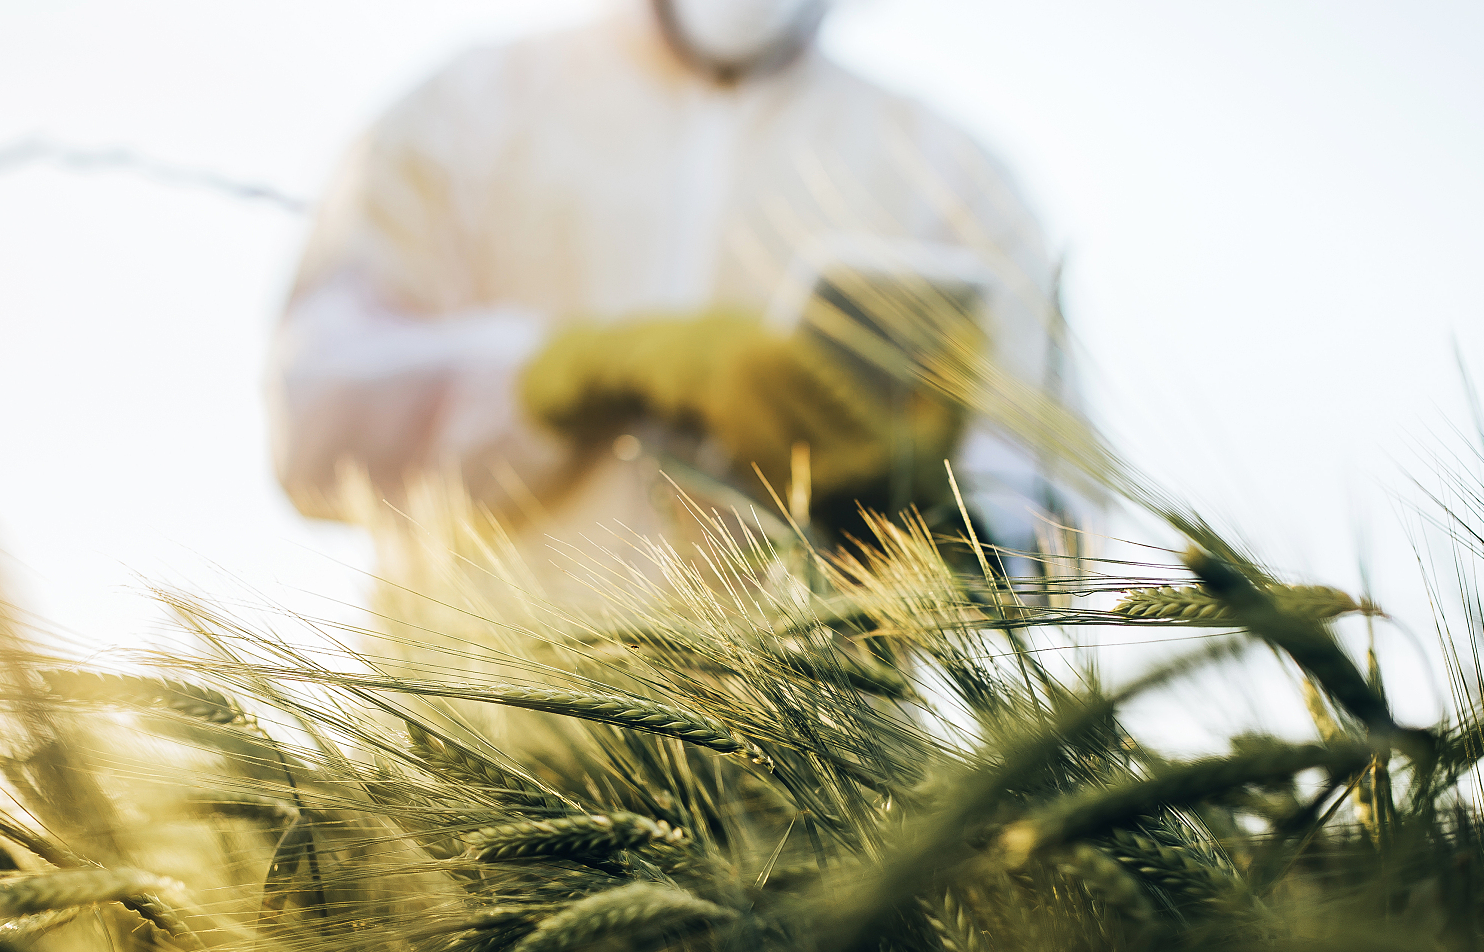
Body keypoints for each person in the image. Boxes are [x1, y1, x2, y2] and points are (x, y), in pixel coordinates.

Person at [269, 0, 1085, 585]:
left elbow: (1050, 523)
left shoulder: (953, 178)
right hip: (468, 771)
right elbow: (309, 428)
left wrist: (931, 532)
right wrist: (562, 372)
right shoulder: (471, 107)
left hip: (817, 806)